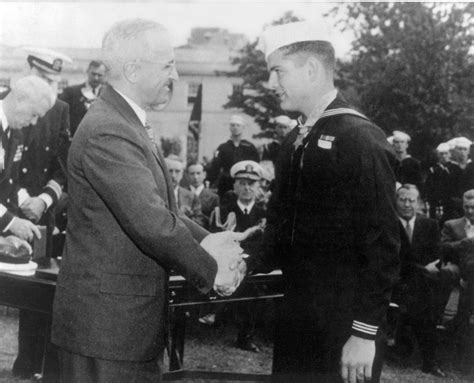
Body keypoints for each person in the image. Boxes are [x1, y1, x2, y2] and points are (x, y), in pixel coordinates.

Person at [51, 19, 246, 383]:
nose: (175, 73)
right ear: (133, 70)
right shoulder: (110, 129)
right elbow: (150, 221)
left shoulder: (124, 122)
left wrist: (209, 240)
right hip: (107, 335)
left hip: (121, 331)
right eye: (167, 64)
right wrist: (211, 266)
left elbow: (159, 210)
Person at [243, 21, 400, 383]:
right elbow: (285, 232)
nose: (270, 84)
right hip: (297, 320)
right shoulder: (295, 141)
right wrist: (241, 261)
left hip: (344, 331)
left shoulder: (361, 140)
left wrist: (364, 333)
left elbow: (385, 246)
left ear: (311, 69)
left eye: (277, 71)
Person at [12, 47, 72, 380]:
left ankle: (33, 363)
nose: (49, 87)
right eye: (44, 78)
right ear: (29, 70)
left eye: (53, 80)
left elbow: (63, 165)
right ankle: (24, 363)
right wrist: (21, 199)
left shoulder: (60, 109)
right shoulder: (9, 103)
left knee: (40, 286)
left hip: (42, 213)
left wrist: (44, 201)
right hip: (9, 207)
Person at [389, 184, 447, 377]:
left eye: (411, 200)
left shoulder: (429, 225)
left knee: (426, 306)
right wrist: (421, 268)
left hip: (419, 285)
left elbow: (437, 259)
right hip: (393, 281)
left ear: (419, 203)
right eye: (402, 199)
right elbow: (392, 259)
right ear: (395, 201)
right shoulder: (387, 224)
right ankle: (397, 348)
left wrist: (420, 270)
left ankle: (429, 363)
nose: (406, 204)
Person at [0, 76, 54, 243]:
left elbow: (9, 183)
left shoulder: (15, 132)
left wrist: (7, 236)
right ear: (19, 100)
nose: (34, 122)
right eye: (33, 114)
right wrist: (11, 223)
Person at [440, 189, 474, 374]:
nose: (470, 211)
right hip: (459, 269)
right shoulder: (452, 225)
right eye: (467, 207)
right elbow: (443, 248)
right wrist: (467, 243)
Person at [207, 114, 259, 197]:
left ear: (243, 127)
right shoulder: (223, 147)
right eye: (232, 125)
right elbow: (215, 167)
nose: (235, 127)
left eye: (238, 125)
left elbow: (256, 166)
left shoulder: (250, 147)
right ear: (229, 127)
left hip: (245, 182)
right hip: (226, 183)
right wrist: (210, 181)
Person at [59, 60, 106, 136]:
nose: (96, 78)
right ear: (87, 71)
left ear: (105, 75)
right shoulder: (71, 92)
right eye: (93, 74)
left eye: (99, 75)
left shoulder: (108, 95)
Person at [165, 155, 205, 227]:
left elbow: (199, 222)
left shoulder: (191, 196)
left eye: (177, 171)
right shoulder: (158, 194)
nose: (173, 175)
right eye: (170, 171)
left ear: (182, 174)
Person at [425, 142, 461, 222]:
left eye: (446, 153)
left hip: (451, 202)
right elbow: (429, 186)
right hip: (436, 201)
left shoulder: (455, 168)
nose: (444, 156)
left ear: (450, 154)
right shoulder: (433, 169)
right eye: (441, 154)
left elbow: (457, 185)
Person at [186, 161, 219, 230]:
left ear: (204, 175)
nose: (195, 177)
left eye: (198, 173)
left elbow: (215, 222)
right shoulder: (181, 193)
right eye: (192, 174)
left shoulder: (213, 197)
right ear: (186, 175)